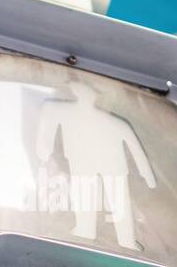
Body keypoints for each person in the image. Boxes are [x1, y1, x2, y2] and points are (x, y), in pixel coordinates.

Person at [35, 81, 155, 248]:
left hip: (109, 164)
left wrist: (147, 174)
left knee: (116, 199)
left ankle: (125, 239)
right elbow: (49, 121)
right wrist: (44, 148)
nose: (85, 95)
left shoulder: (116, 123)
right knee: (87, 196)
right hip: (84, 162)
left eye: (88, 92)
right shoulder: (64, 111)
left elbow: (135, 148)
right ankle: (88, 230)